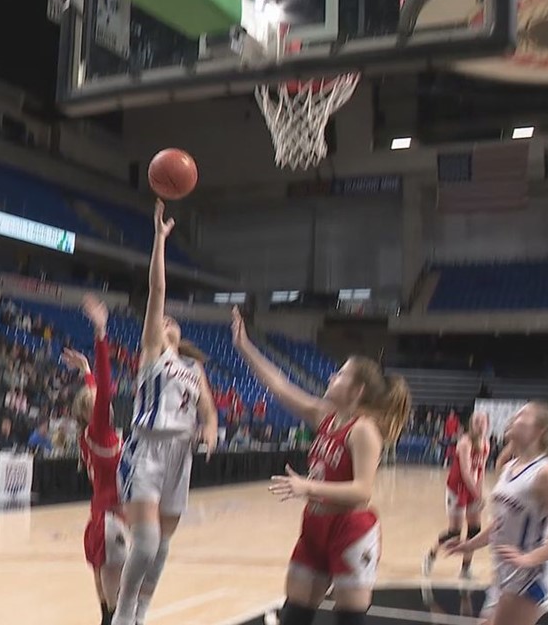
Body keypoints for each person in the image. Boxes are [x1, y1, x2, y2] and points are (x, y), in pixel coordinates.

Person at [231, 306, 412, 625]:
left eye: (340, 373)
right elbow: (279, 385)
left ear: (357, 390)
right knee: (294, 615)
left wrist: (307, 486)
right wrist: (245, 346)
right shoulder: (325, 415)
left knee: (348, 619)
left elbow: (362, 490)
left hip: (350, 530)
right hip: (314, 528)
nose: (332, 376)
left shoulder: (364, 430)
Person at [112, 200, 218, 625]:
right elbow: (158, 291)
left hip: (181, 455)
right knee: (145, 542)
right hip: (149, 450)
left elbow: (209, 410)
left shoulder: (194, 368)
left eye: (174, 320)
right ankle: (122, 614)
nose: (167, 320)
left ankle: (141, 612)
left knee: (164, 547)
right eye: (164, 319)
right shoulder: (152, 353)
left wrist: (210, 430)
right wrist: (159, 241)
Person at [445, 402, 548, 625]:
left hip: (531, 577)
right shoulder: (509, 467)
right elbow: (501, 523)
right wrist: (470, 544)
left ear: (539, 431)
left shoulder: (547, 472)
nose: (514, 418)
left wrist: (529, 558)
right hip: (505, 574)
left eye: (522, 415)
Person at [63, 295, 128, 625]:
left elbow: (95, 389)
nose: (103, 400)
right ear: (93, 411)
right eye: (97, 401)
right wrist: (101, 333)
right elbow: (103, 389)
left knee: (107, 604)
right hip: (111, 520)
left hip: (99, 517)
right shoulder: (99, 430)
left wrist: (86, 370)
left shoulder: (89, 434)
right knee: (116, 607)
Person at [424, 410, 490, 580]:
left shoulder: (486, 444)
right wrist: (477, 494)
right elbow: (466, 472)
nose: (480, 425)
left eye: (483, 422)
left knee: (474, 530)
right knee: (455, 532)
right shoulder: (465, 442)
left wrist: (480, 493)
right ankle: (431, 554)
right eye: (477, 422)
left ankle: (465, 569)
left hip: (472, 488)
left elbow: (480, 472)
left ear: (487, 424)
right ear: (471, 424)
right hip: (457, 488)